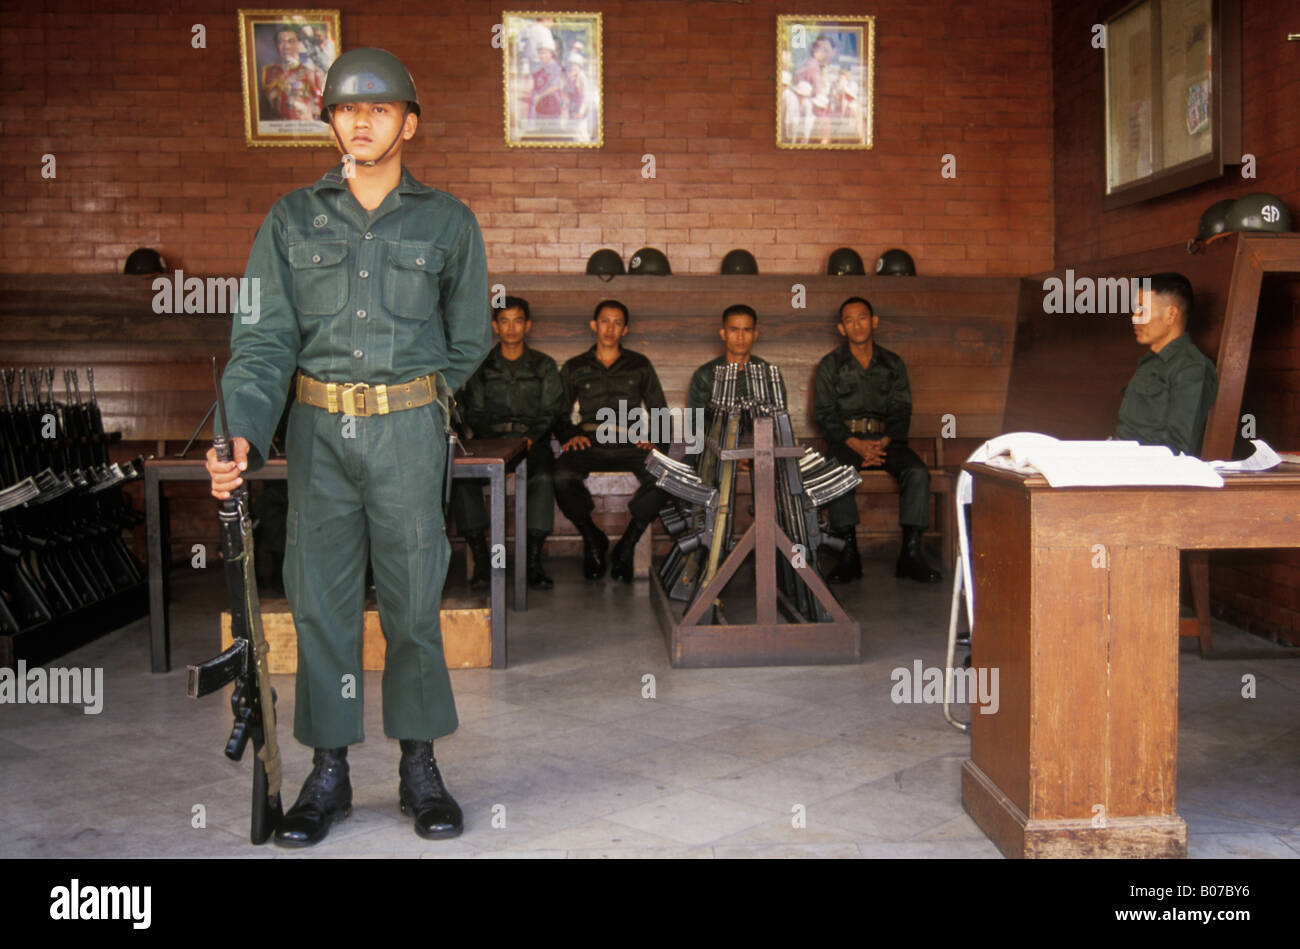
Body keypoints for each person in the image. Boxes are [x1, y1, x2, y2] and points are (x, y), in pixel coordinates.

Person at [206, 48, 490, 847]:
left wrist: (417, 397)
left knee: (412, 603)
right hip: (318, 435)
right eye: (344, 108)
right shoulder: (290, 219)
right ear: (329, 119)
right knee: (320, 603)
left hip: (407, 434)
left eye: (379, 108)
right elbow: (261, 343)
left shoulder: (448, 222)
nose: (360, 121)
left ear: (411, 123)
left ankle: (419, 765)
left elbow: (468, 340)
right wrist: (242, 430)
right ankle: (328, 770)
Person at [814, 297, 940, 584]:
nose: (856, 324)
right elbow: (824, 414)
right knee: (837, 473)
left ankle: (910, 555)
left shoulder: (893, 363)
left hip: (887, 442)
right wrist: (855, 444)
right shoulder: (830, 365)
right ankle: (849, 555)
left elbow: (901, 409)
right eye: (849, 320)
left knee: (917, 472)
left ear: (874, 322)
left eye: (862, 317)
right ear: (841, 328)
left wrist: (882, 442)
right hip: (846, 443)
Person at [452, 295, 564, 591]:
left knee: (542, 476)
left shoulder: (544, 365)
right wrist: (494, 442)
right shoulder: (482, 366)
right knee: (463, 480)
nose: (511, 328)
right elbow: (473, 411)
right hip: (490, 442)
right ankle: (480, 558)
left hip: (532, 441)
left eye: (517, 321)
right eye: (505, 321)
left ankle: (533, 562)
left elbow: (551, 409)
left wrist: (529, 437)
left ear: (527, 326)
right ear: (495, 326)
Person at [554, 300, 670, 583]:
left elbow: (659, 410)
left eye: (617, 322)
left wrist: (655, 443)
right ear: (594, 325)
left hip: (631, 442)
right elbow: (557, 413)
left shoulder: (639, 364)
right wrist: (571, 436)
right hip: (589, 442)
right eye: (605, 321)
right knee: (560, 476)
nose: (610, 328)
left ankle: (627, 544)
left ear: (625, 329)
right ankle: (593, 537)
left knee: (664, 477)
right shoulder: (575, 366)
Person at [1114, 272, 1218, 456]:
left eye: (1142, 310)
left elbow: (1179, 450)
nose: (1134, 318)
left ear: (1171, 315)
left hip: (1148, 474)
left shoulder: (1191, 368)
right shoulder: (1150, 362)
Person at [687, 304, 787, 414]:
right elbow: (696, 424)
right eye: (734, 330)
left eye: (747, 330)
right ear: (723, 334)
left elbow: (780, 420)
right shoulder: (705, 375)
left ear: (755, 335)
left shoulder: (769, 373)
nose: (740, 337)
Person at [260, 27, 326, 121]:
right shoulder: (267, 72)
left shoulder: (314, 73)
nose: (286, 46)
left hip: (306, 129)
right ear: (276, 46)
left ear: (299, 44)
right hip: (275, 130)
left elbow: (319, 109)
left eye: (291, 41)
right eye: (281, 42)